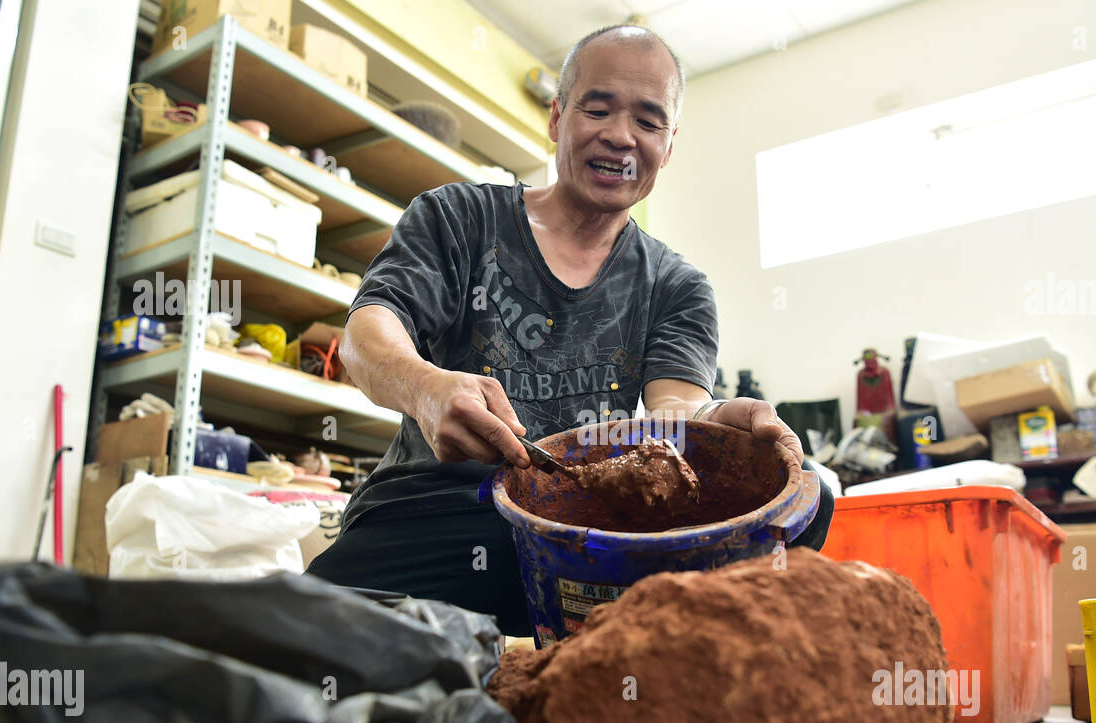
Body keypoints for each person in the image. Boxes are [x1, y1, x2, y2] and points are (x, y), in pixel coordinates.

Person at [307, 24, 834, 635]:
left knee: (807, 494)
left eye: (648, 120)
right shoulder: (459, 218)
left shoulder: (676, 285)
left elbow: (675, 416)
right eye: (598, 108)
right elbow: (368, 335)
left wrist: (718, 431)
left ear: (669, 144)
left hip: (591, 536)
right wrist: (427, 389)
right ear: (558, 118)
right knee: (308, 641)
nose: (619, 135)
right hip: (443, 509)